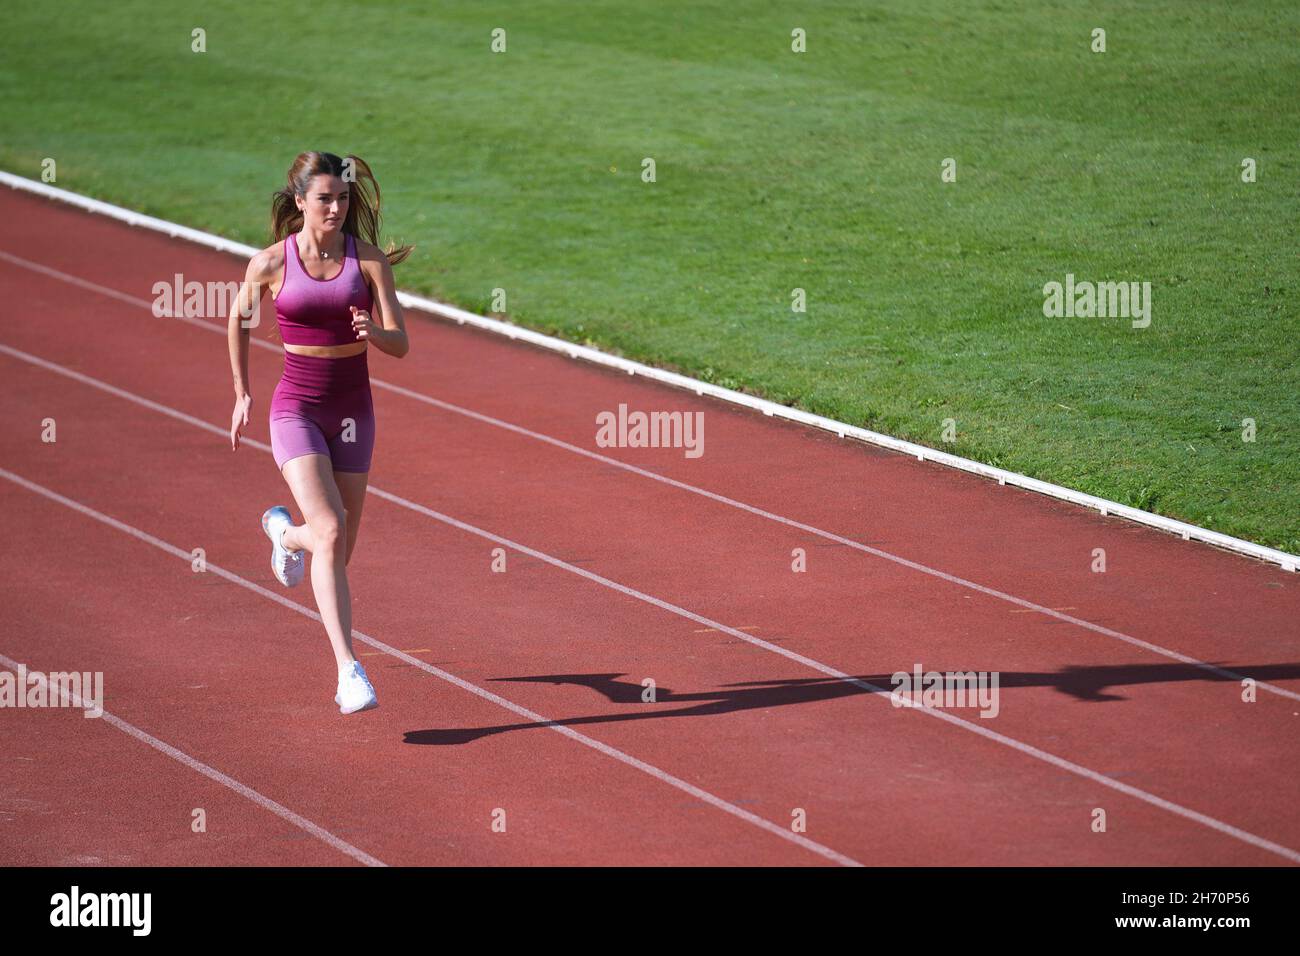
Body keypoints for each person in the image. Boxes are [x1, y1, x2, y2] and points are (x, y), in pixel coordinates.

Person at [227, 151, 412, 714]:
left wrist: (373, 333)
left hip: (354, 411)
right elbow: (238, 317)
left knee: (339, 545)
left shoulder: (370, 262)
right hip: (295, 410)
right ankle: (348, 671)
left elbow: (401, 342)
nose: (336, 207)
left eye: (343, 198)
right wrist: (242, 392)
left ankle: (284, 536)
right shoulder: (270, 264)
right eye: (325, 198)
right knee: (330, 531)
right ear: (300, 201)